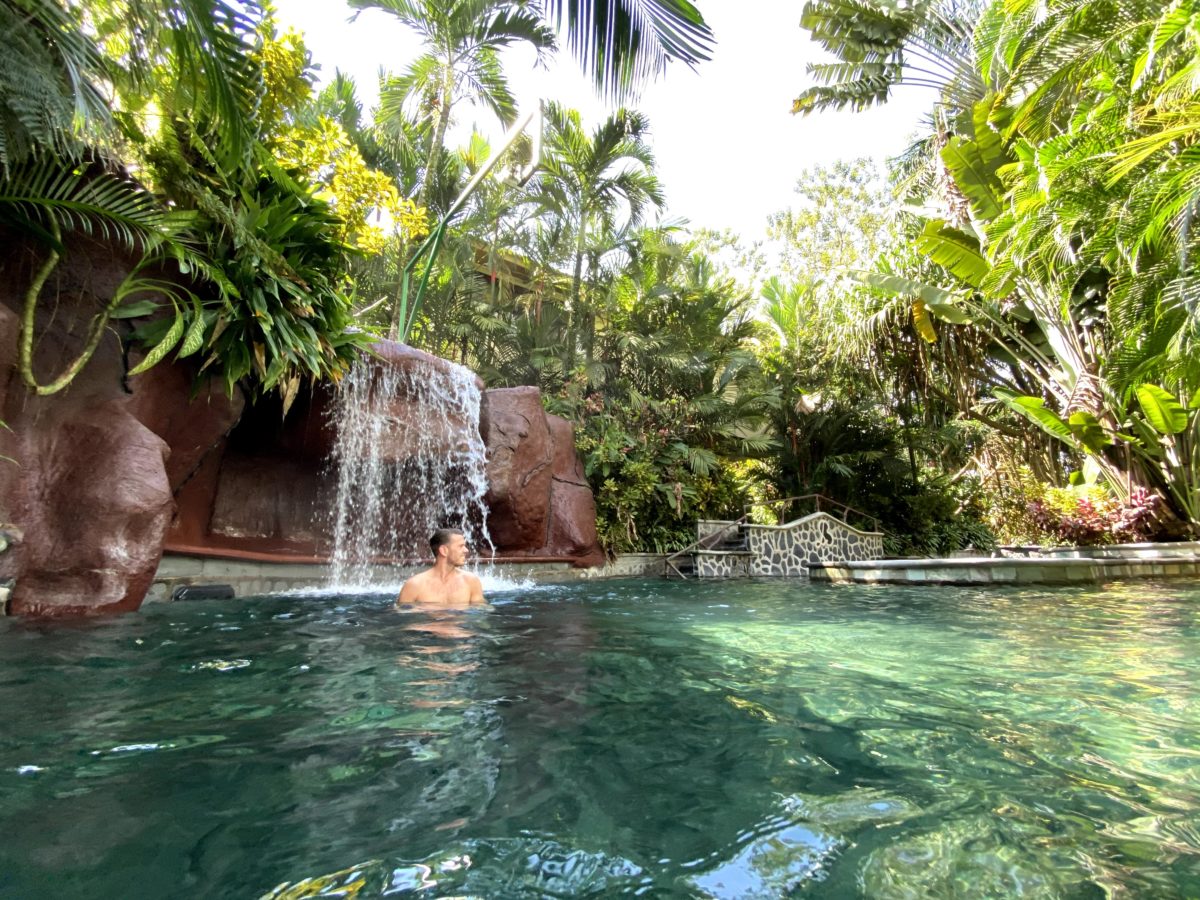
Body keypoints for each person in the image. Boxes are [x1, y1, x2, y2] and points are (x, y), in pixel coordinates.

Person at [396, 528, 485, 610]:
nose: (466, 550)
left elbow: (481, 615)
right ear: (443, 551)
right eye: (460, 546)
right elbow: (402, 617)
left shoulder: (471, 582)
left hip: (459, 627)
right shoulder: (414, 585)